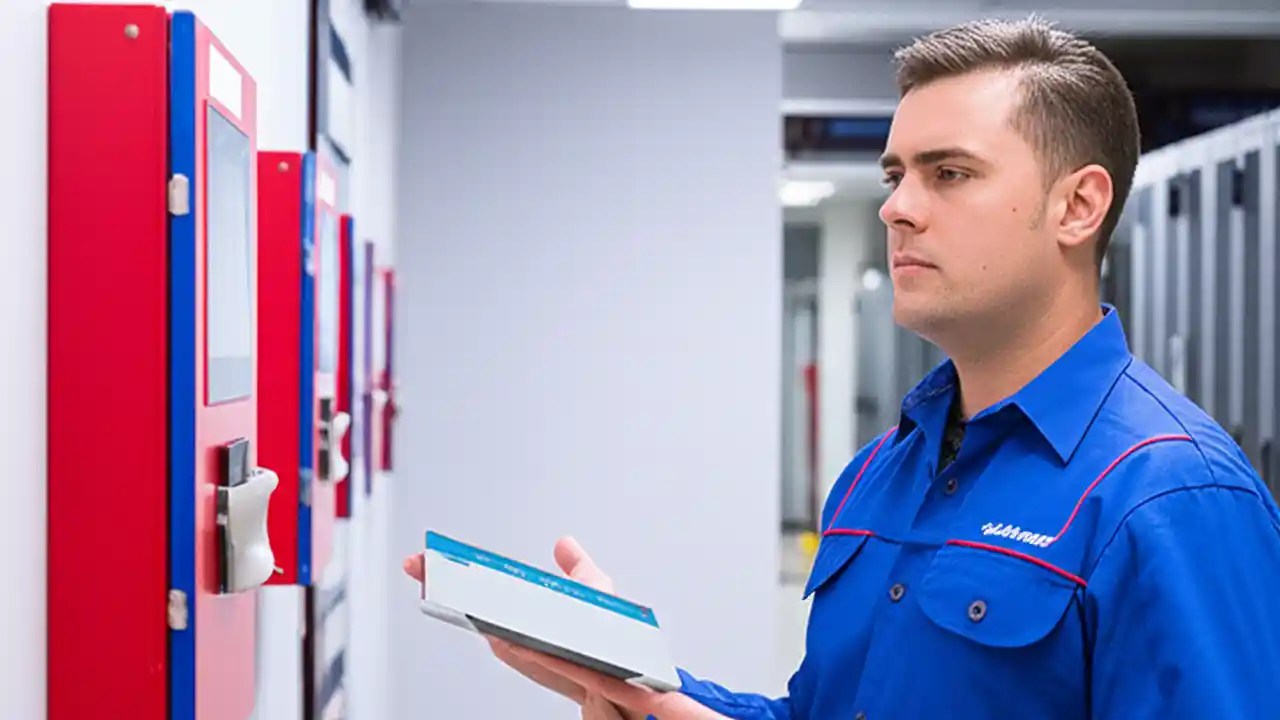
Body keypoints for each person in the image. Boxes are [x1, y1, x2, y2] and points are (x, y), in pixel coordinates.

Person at [405, 16, 1280, 719]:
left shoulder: (1171, 497)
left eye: (949, 173)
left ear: (1078, 205)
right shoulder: (882, 474)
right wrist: (648, 683)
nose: (897, 208)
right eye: (896, 174)